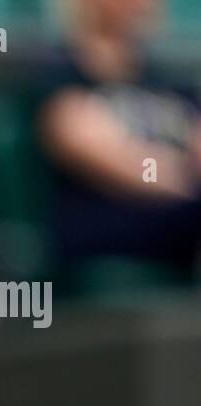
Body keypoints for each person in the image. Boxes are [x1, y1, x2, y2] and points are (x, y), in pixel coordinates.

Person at [35, 0, 201, 278]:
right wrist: (181, 177)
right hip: (105, 222)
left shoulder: (167, 79)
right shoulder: (63, 70)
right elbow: (87, 148)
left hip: (179, 218)